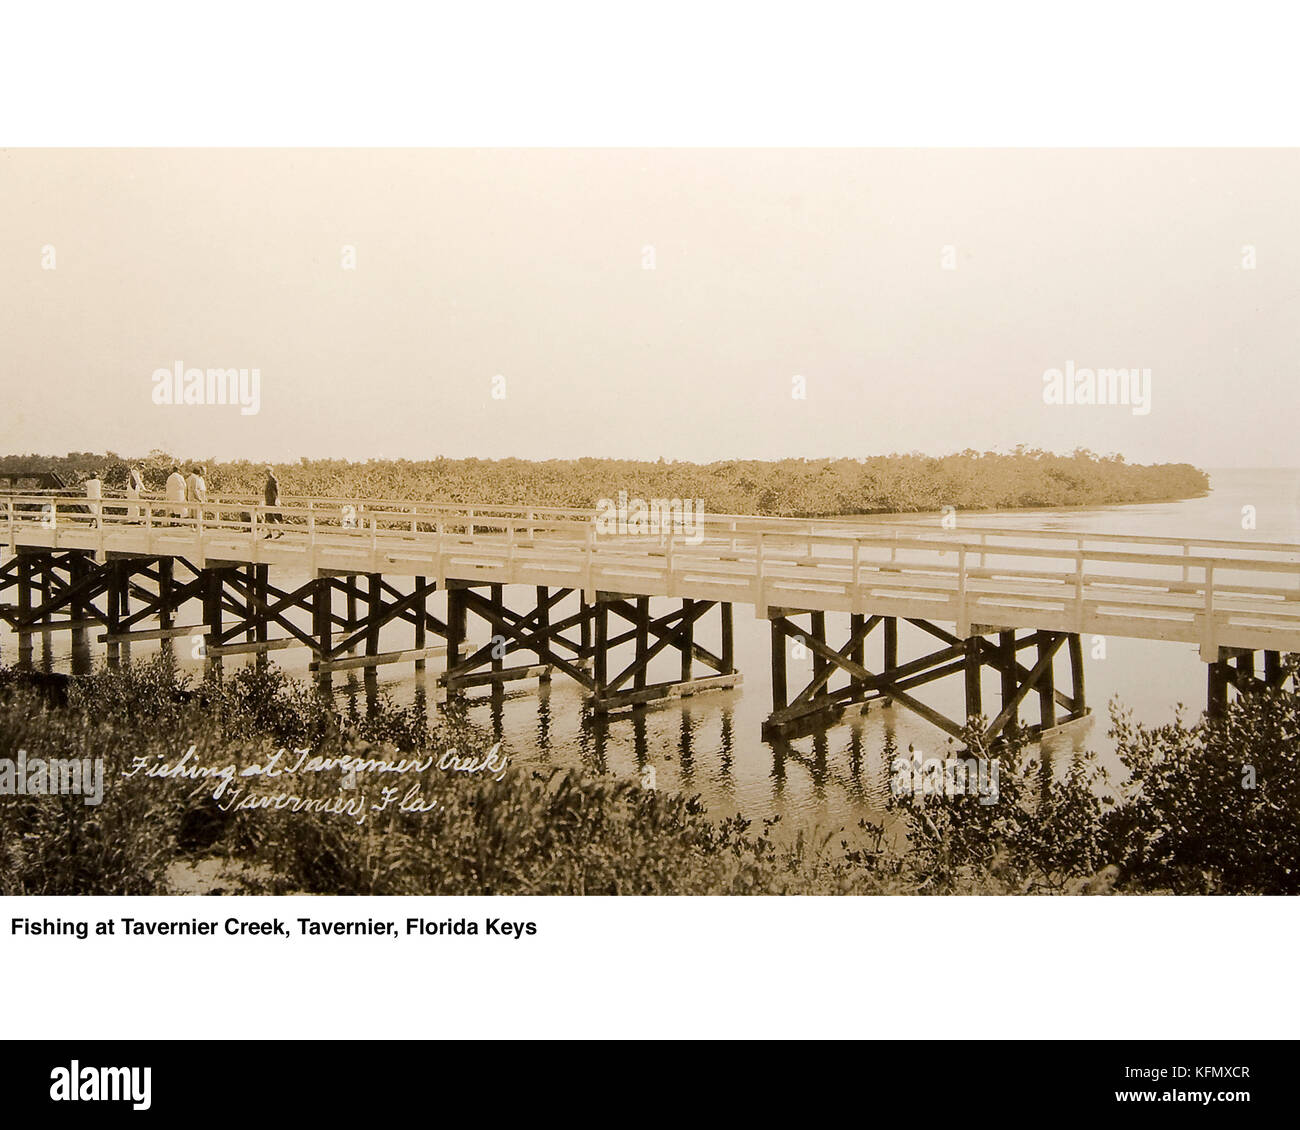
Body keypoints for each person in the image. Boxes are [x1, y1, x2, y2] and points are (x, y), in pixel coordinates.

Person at [262, 465, 283, 537]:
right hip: (268, 500)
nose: (267, 474)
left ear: (271, 472)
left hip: (272, 501)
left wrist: (277, 498)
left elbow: (277, 490)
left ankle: (280, 530)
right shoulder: (269, 480)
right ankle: (269, 533)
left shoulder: (274, 480)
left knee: (271, 517)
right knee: (267, 517)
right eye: (266, 472)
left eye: (268, 472)